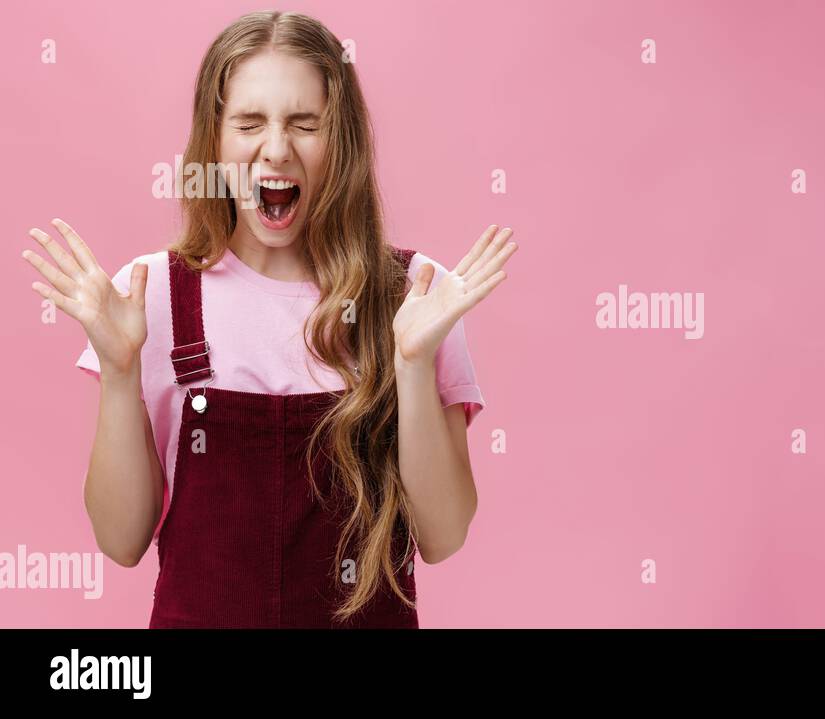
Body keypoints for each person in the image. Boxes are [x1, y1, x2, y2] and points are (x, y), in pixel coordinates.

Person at [19, 10, 516, 628]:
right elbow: (121, 543)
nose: (276, 149)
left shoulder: (414, 296)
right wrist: (121, 372)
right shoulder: (148, 297)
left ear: (343, 143)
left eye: (305, 124)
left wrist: (410, 366)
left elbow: (442, 536)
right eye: (249, 122)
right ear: (214, 139)